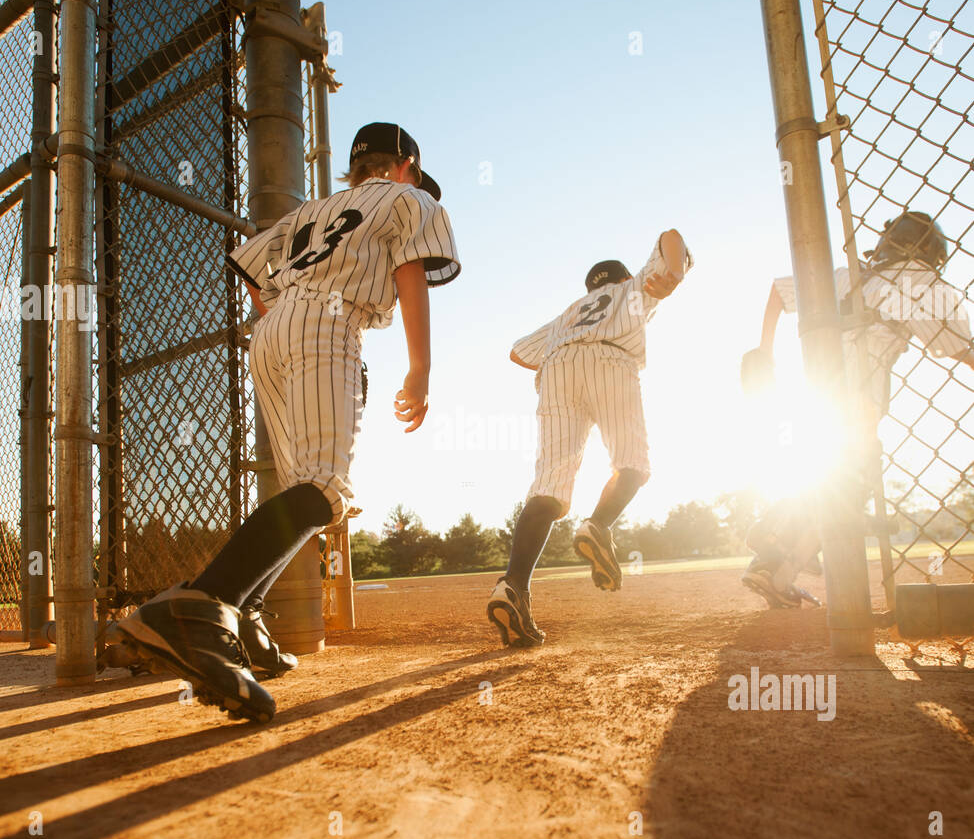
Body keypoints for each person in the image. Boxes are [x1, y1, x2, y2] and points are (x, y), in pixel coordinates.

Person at [118, 122, 460, 721]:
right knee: (326, 489)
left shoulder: (314, 208)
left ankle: (242, 616)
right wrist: (420, 369)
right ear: (405, 164)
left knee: (302, 482)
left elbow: (253, 275)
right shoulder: (411, 198)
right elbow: (410, 275)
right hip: (331, 327)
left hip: (272, 332)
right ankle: (202, 607)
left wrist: (287, 313)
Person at [741, 210, 973, 608]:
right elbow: (960, 348)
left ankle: (778, 559)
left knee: (834, 481)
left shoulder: (849, 275)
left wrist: (765, 349)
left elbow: (779, 293)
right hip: (862, 396)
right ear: (928, 252)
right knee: (844, 488)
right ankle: (777, 540)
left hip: (816, 391)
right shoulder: (922, 281)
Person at [487, 231, 693, 647]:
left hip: (557, 368)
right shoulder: (631, 289)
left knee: (549, 485)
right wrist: (672, 273)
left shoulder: (570, 311)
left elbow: (517, 353)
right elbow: (672, 237)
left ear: (589, 289)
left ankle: (512, 586)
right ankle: (597, 525)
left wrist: (567, 355)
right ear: (619, 280)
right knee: (632, 462)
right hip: (612, 359)